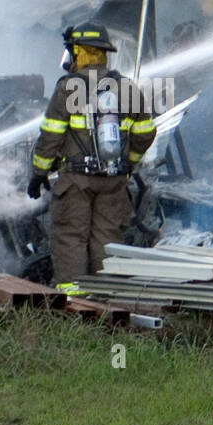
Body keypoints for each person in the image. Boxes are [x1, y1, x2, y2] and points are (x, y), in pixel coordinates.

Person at [27, 21, 157, 283]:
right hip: (114, 180)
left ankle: (75, 304)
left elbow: (51, 135)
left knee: (71, 237)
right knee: (107, 238)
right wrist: (128, 164)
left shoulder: (68, 87)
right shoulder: (127, 87)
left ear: (80, 52)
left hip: (75, 181)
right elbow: (146, 133)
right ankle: (105, 301)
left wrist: (39, 173)